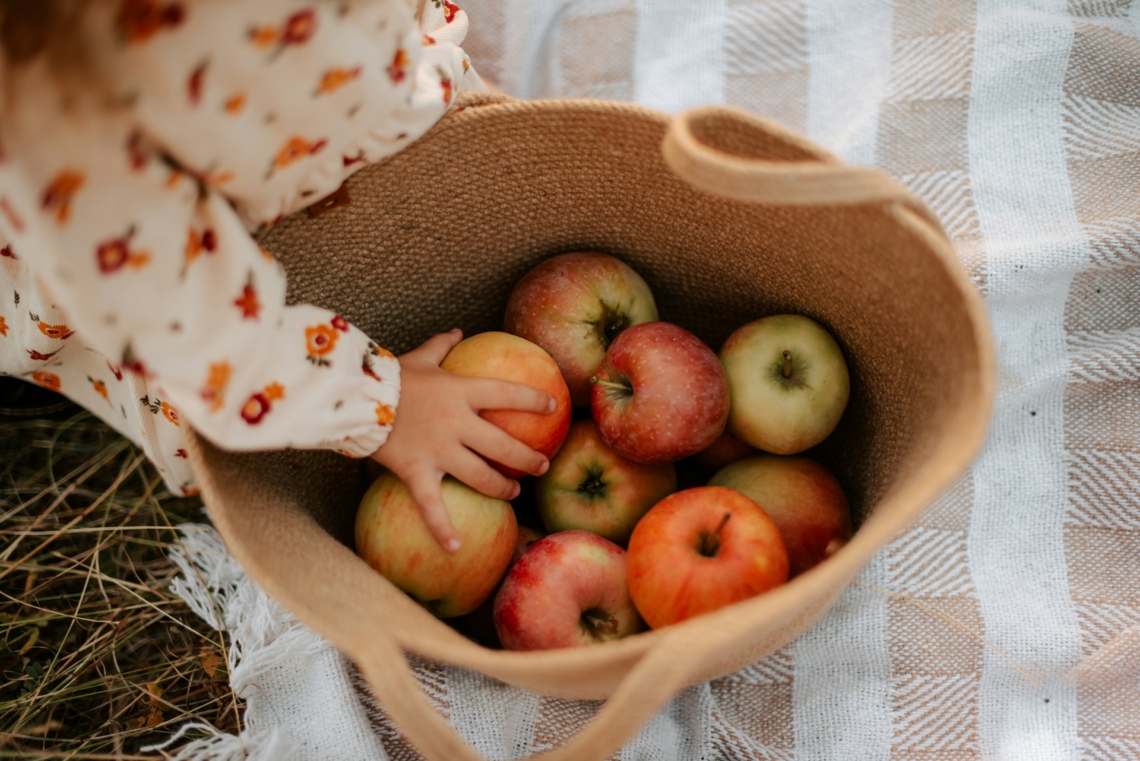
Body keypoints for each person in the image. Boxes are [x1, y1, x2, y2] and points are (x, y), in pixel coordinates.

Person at [0, 0, 554, 552]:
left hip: (284, 127)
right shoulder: (70, 123)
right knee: (121, 329)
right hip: (126, 255)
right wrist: (383, 404)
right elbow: (195, 332)